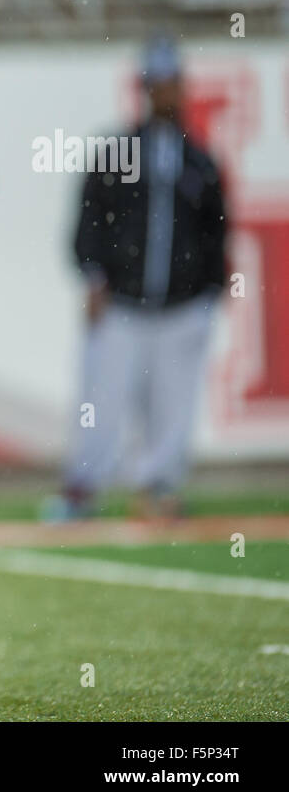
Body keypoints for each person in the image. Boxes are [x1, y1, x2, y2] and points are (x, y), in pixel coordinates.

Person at [54, 36, 227, 521]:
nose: (166, 94)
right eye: (158, 85)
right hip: (123, 302)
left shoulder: (200, 161)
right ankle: (82, 488)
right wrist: (93, 278)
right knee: (101, 400)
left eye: (173, 84)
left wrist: (210, 293)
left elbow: (216, 233)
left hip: (181, 304)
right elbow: (88, 223)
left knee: (174, 405)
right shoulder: (117, 152)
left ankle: (159, 486)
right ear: (145, 89)